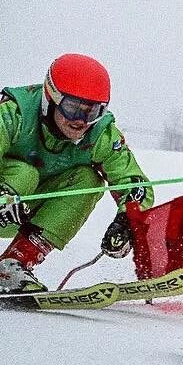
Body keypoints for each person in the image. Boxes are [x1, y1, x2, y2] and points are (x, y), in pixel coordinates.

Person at [0, 54, 154, 293]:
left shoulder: (100, 136)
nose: (81, 121)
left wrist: (129, 220)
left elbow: (132, 182)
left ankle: (13, 265)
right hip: (8, 194)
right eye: (72, 108)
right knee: (25, 172)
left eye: (92, 112)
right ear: (50, 99)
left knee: (89, 180)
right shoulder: (13, 114)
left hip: (26, 210)